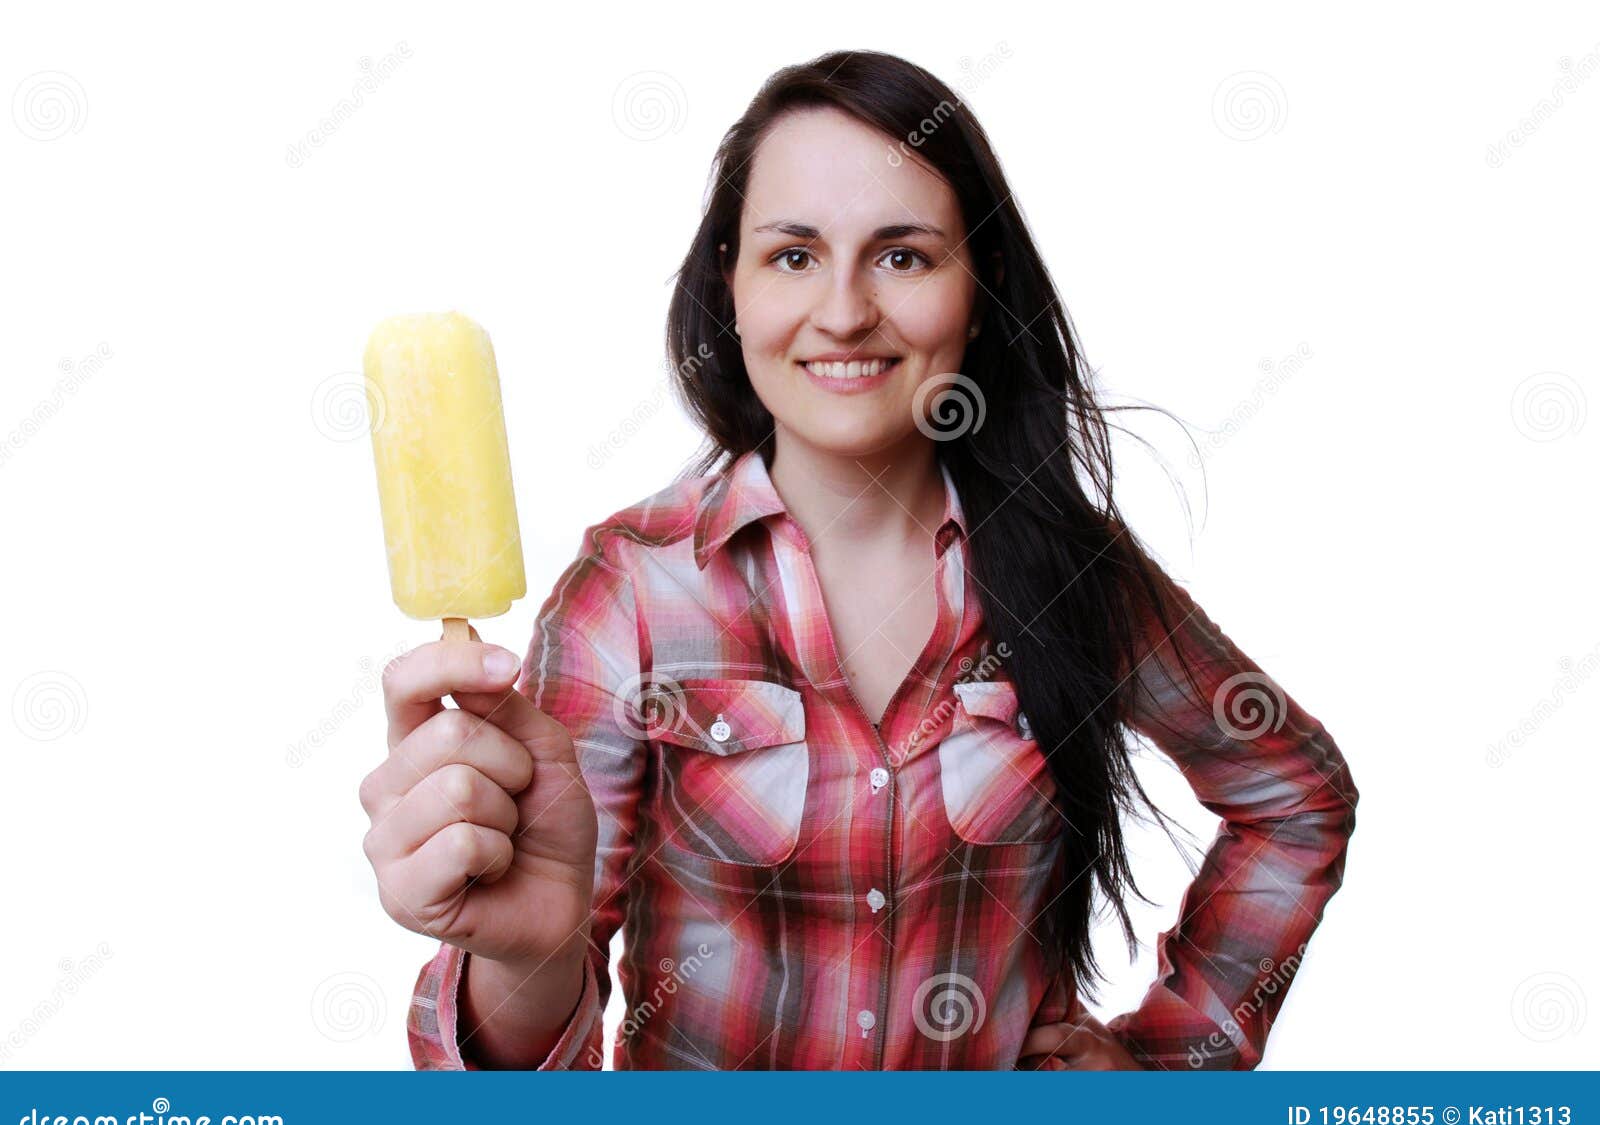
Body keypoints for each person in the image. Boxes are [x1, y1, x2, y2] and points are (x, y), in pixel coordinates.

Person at [359, 49, 1358, 1071]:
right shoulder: (632, 592)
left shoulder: (1075, 574)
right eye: (792, 255)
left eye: (903, 256)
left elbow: (1296, 797)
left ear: (982, 286)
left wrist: (1166, 1075)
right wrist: (523, 960)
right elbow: (524, 1095)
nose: (841, 312)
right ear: (731, 286)